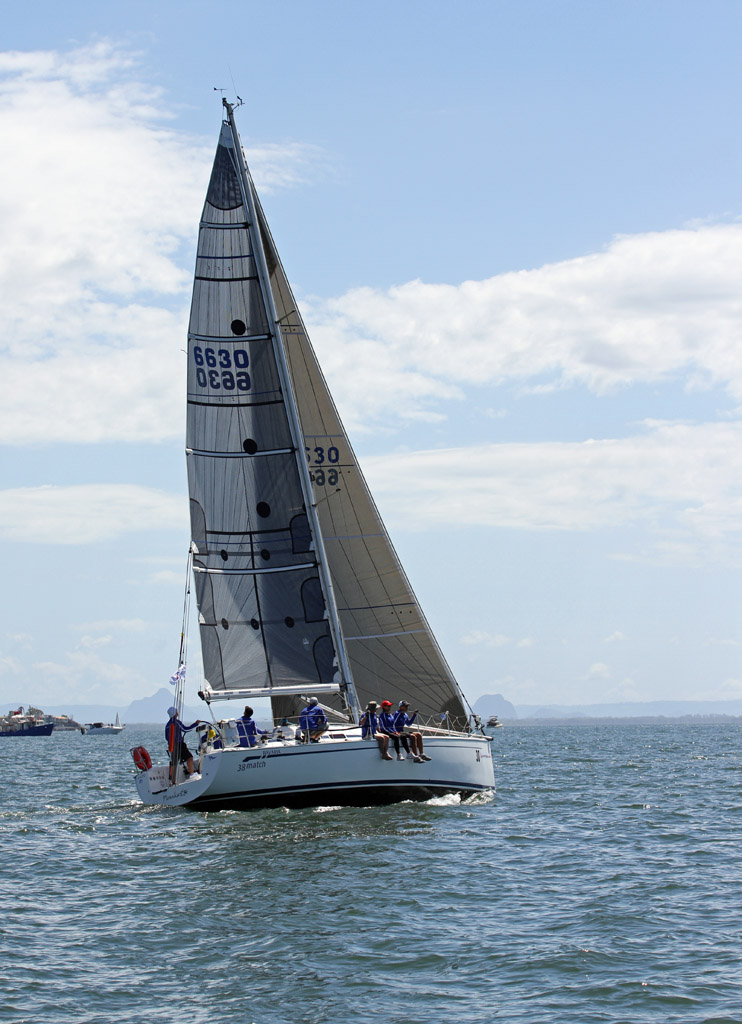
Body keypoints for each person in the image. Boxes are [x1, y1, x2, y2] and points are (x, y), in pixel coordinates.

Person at [165, 706, 203, 777]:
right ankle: (192, 774)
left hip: (171, 746)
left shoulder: (167, 725)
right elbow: (186, 729)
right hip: (179, 745)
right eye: (176, 711)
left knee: (174, 762)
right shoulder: (177, 722)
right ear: (174, 713)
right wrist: (196, 724)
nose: (177, 712)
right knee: (189, 757)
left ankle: (171, 778)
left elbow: (166, 737)